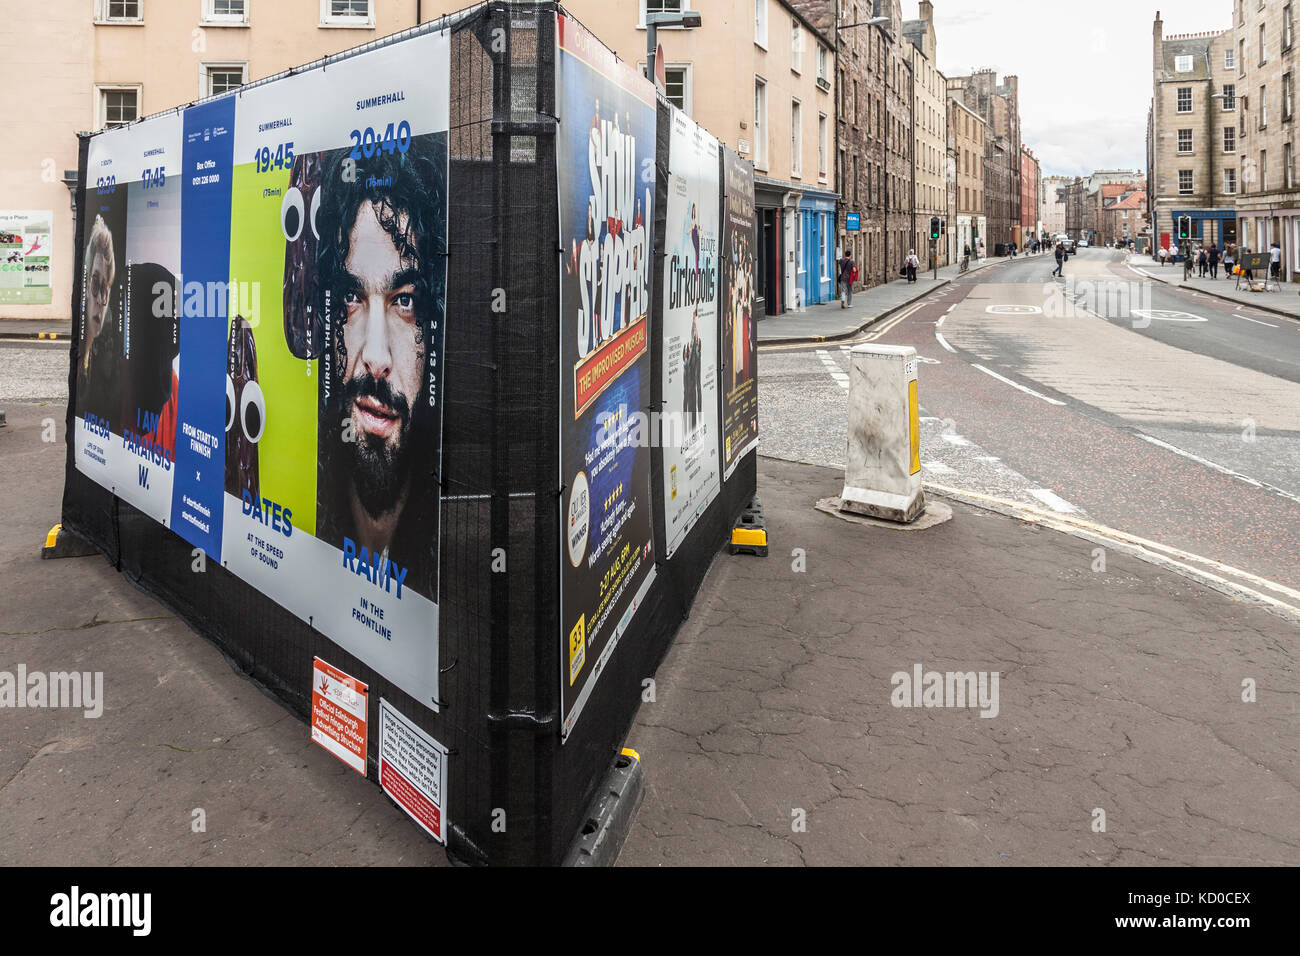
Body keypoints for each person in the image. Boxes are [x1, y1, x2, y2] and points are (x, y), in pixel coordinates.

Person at [315, 137, 447, 602]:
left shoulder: (444, 565)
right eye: (351, 298)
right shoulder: (310, 526)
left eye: (404, 302)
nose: (375, 357)